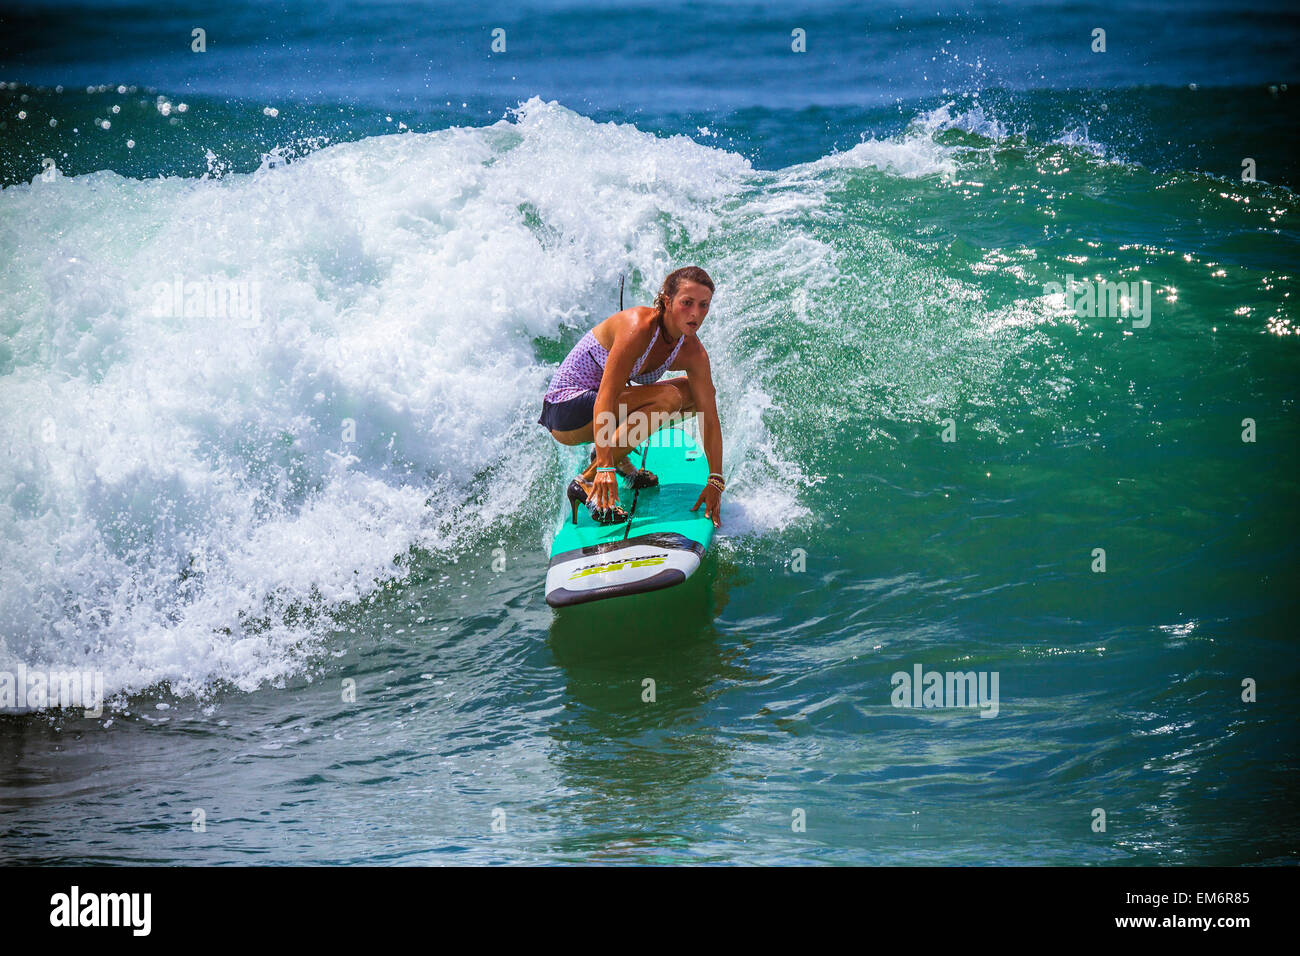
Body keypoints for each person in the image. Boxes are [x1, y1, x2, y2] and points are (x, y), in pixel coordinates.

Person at [537, 266, 724, 527]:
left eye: (704, 305)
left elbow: (709, 414)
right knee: (668, 398)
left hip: (601, 409)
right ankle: (589, 478)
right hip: (566, 409)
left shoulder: (692, 351)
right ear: (667, 302)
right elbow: (606, 396)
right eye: (687, 303)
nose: (696, 313)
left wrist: (715, 479)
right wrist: (605, 467)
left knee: (696, 394)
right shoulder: (638, 327)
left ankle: (614, 455)